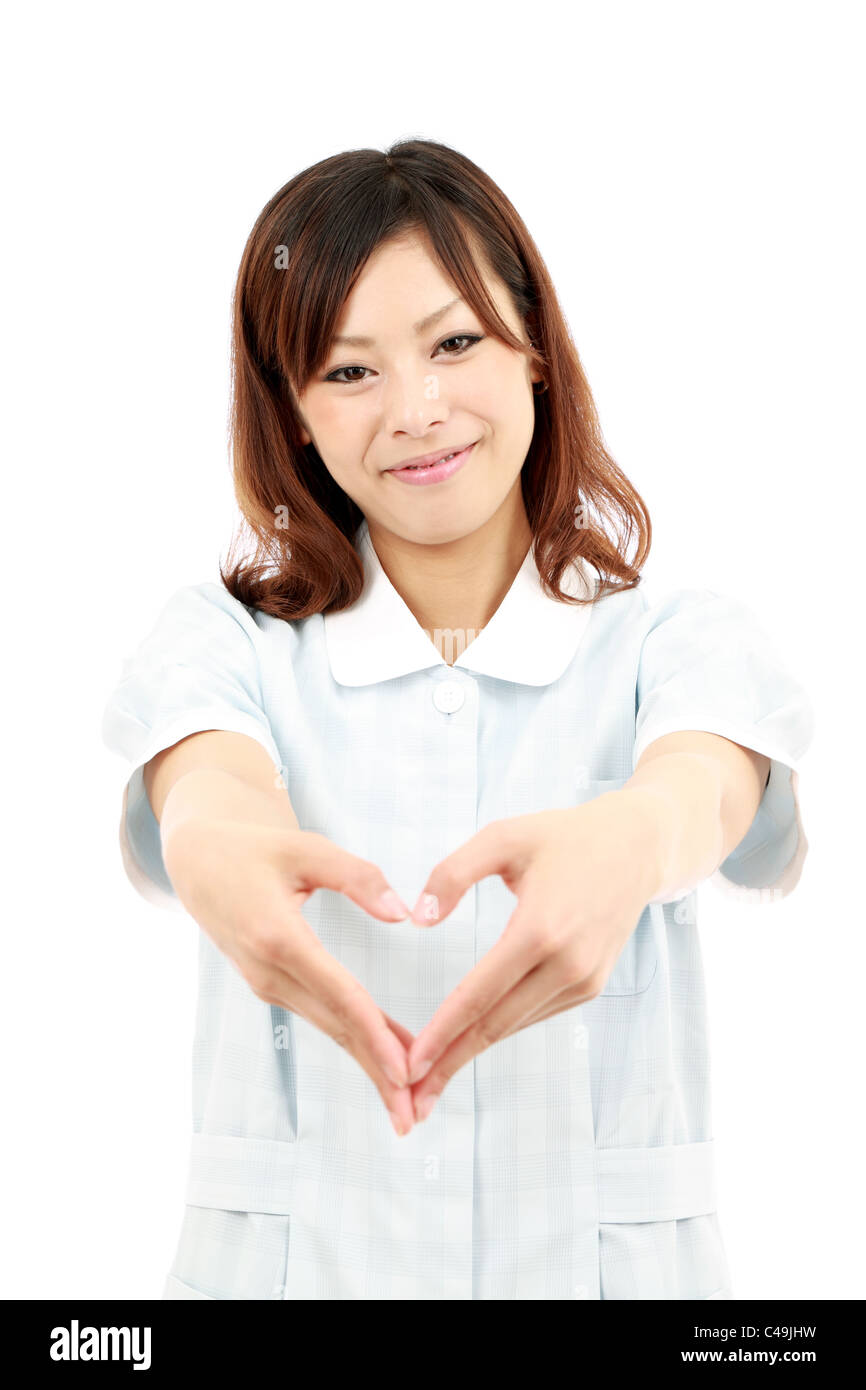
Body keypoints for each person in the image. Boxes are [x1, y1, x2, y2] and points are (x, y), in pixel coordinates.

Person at [101, 138, 814, 1300]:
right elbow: (207, 786)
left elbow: (702, 784)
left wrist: (632, 840)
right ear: (291, 415)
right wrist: (220, 849)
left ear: (532, 348)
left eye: (453, 342)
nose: (415, 410)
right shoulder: (224, 642)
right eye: (348, 371)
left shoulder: (673, 639)